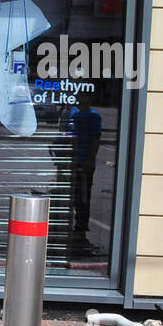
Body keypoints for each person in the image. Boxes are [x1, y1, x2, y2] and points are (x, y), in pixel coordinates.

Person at [66, 92, 102, 242]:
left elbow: (95, 140)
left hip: (84, 163)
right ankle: (72, 227)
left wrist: (89, 160)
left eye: (84, 96)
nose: (82, 99)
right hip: (72, 162)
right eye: (80, 96)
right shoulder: (73, 113)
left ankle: (81, 228)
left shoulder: (94, 116)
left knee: (83, 197)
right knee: (72, 196)